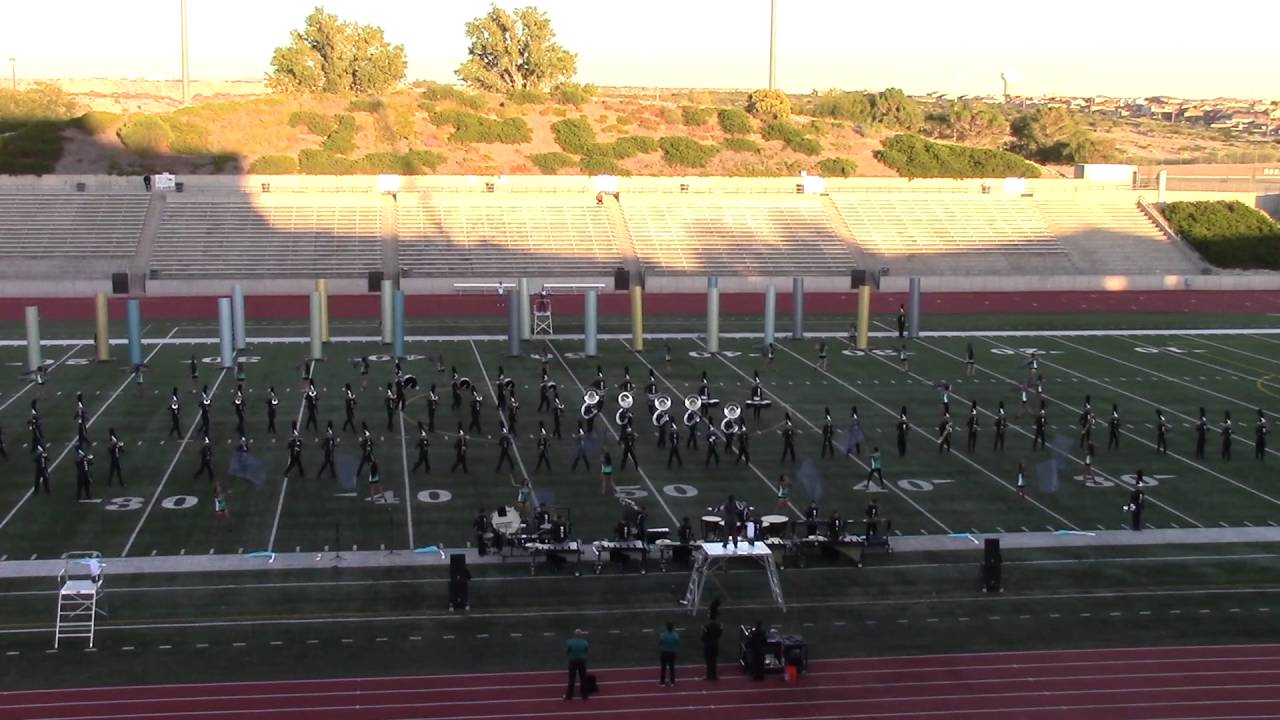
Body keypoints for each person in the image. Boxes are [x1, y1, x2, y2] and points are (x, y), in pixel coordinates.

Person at [564, 629, 590, 701]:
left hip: (573, 661)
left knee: (572, 679)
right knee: (583, 678)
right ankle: (584, 695)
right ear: (581, 635)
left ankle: (569, 696)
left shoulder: (569, 642)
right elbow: (586, 650)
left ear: (574, 635)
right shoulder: (585, 642)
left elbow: (567, 651)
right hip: (582, 661)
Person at [701, 611, 723, 681]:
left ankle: (708, 675)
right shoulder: (718, 626)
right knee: (714, 661)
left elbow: (703, 638)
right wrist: (721, 629)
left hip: (708, 645)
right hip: (715, 645)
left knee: (708, 661)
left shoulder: (706, 626)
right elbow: (719, 635)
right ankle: (714, 675)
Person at [658, 622, 680, 687]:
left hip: (664, 652)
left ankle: (662, 683)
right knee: (672, 667)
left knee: (663, 668)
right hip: (672, 653)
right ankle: (672, 682)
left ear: (667, 628)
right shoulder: (675, 635)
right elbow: (677, 642)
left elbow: (660, 643)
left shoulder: (663, 635)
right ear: (672, 628)